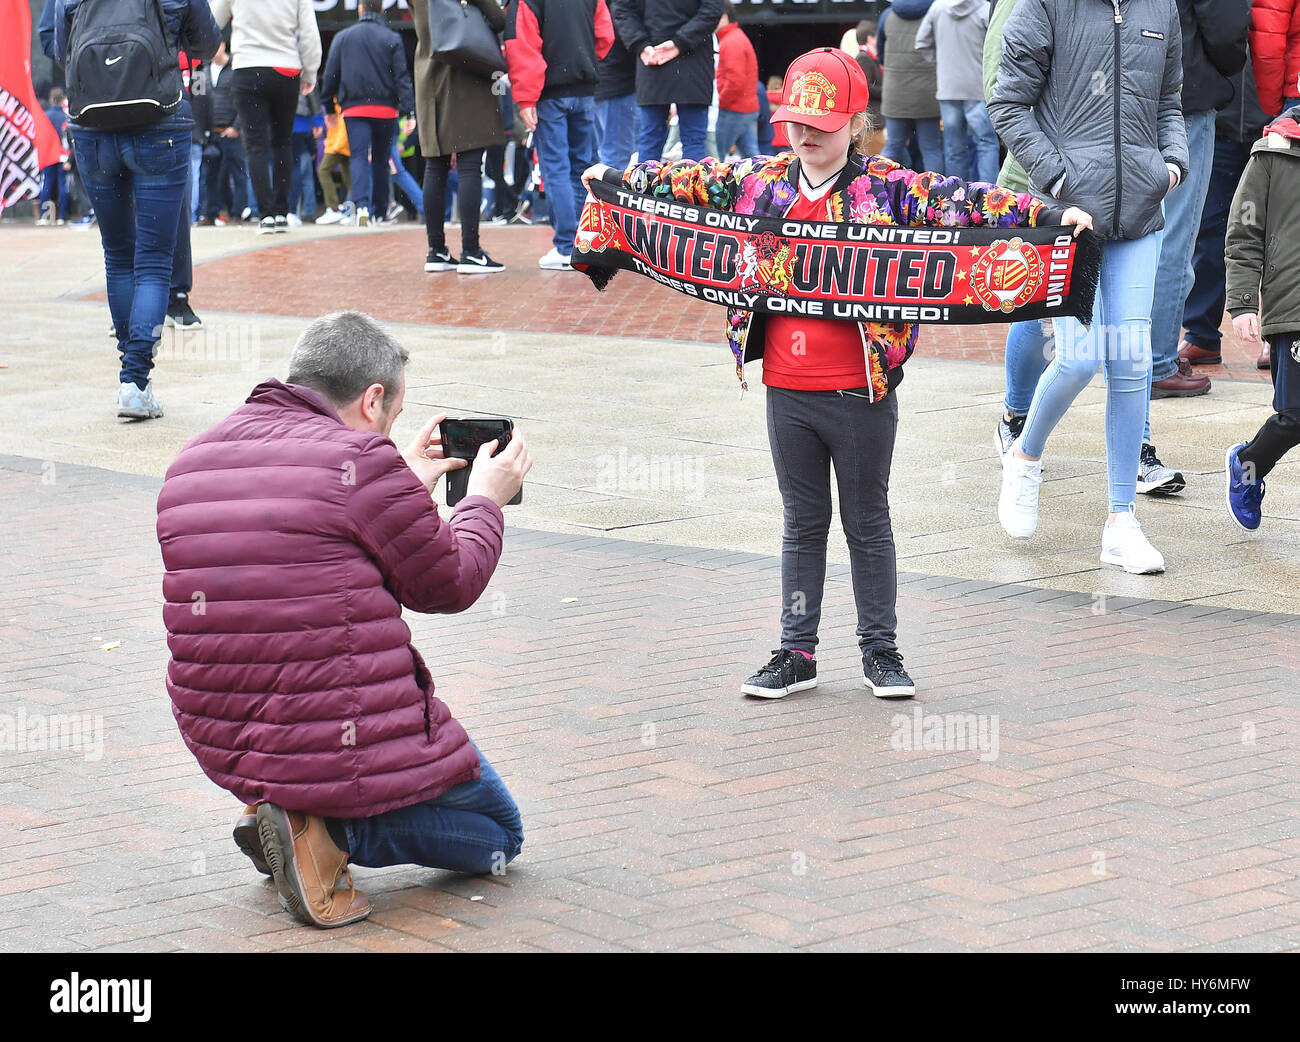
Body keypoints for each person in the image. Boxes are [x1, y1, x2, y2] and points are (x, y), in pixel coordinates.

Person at [582, 47, 1088, 699]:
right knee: (802, 519)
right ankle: (797, 652)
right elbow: (688, 179)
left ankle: (881, 650)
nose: (806, 136)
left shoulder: (889, 187)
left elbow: (966, 202)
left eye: (822, 124)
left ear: (857, 124)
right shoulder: (761, 181)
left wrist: (1048, 218)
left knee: (867, 520)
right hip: (785, 391)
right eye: (797, 122)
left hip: (861, 390)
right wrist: (617, 181)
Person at [157, 311, 533, 928]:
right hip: (334, 731)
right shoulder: (359, 461)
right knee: (499, 836)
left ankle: (282, 811)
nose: (389, 430)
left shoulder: (193, 459)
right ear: (372, 397)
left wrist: (397, 485)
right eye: (392, 413)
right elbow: (450, 583)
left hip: (222, 731)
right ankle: (324, 832)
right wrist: (483, 501)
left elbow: (307, 550)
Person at [990, 0, 1188, 574]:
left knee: (1130, 363)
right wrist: (1057, 177)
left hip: (1139, 217)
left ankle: (1121, 521)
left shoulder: (1161, 7)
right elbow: (1009, 103)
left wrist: (1170, 162)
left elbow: (1169, 101)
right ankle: (1025, 457)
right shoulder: (1046, 6)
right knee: (1077, 360)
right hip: (1067, 218)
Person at [41, 0, 221, 421]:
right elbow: (208, 43)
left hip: (91, 125)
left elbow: (55, 45)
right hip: (161, 122)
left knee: (118, 255)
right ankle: (135, 380)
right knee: (154, 262)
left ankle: (131, 376)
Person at [1147, 0, 1249, 401]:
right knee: (1176, 235)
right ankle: (1156, 363)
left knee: (1140, 232)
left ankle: (1134, 358)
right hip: (1183, 101)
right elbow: (1227, 31)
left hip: (1131, 100)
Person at [1224, 104, 1300, 531]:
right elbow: (1244, 232)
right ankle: (1247, 464)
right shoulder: (1272, 153)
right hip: (1294, 308)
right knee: (1296, 415)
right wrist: (1242, 304)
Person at [506, 0, 615, 270]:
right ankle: (585, 243)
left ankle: (567, 246)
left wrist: (526, 98)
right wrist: (584, 62)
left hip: (550, 93)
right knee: (583, 167)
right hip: (584, 87)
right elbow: (605, 36)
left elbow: (522, 48)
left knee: (556, 169)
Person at [1182, 62, 1274, 372]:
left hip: (1278, 120)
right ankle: (1201, 333)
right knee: (1209, 230)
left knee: (1281, 235)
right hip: (1220, 118)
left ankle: (1278, 334)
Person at [411, 0, 509, 273]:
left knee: (435, 164)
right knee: (470, 165)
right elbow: (498, 19)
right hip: (462, 74)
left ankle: (436, 250)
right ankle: (471, 251)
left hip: (428, 74)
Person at [210, 0, 322, 235]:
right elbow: (310, 32)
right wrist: (310, 70)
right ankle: (282, 212)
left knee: (255, 145)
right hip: (286, 68)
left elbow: (212, 21)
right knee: (283, 142)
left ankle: (266, 215)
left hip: (247, 67)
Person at [320, 0, 414, 230]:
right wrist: (409, 111)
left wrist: (329, 108)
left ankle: (361, 206)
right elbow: (402, 78)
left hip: (355, 109)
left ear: (360, 8)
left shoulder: (343, 37)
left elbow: (330, 74)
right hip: (386, 110)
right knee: (381, 160)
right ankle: (380, 212)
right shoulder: (392, 38)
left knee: (358, 157)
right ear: (381, 10)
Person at [612, 0, 722, 163]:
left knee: (650, 140)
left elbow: (622, 10)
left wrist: (641, 44)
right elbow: (712, 10)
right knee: (694, 142)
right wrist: (680, 42)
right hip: (693, 60)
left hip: (652, 58)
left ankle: (643, 187)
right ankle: (691, 188)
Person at [916, 0, 998, 183]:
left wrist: (942, 62)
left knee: (954, 148)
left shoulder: (937, 8)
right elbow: (997, 46)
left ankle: (957, 195)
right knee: (986, 144)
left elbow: (921, 43)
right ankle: (990, 197)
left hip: (948, 88)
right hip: (978, 88)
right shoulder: (985, 9)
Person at [877, 0, 943, 176]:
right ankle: (936, 195)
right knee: (931, 148)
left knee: (893, 145)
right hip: (927, 94)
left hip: (895, 93)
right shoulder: (934, 12)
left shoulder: (887, 15)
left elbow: (881, 55)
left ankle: (876, 186)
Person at [198, 43, 248, 226]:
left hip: (231, 131)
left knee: (238, 174)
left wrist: (236, 127)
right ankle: (210, 213)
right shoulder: (201, 71)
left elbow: (244, 101)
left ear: (223, 45)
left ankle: (237, 213)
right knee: (210, 175)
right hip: (210, 133)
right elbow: (197, 101)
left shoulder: (236, 69)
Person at [714, 2, 759, 160]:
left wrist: (722, 101)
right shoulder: (736, 37)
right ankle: (766, 183)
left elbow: (735, 80)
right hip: (745, 108)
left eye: (713, 15)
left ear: (724, 17)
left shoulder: (731, 41)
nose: (708, 20)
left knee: (715, 159)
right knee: (753, 159)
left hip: (734, 109)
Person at [594, 24, 640, 170]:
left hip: (604, 80)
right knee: (616, 158)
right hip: (617, 82)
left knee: (608, 154)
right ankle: (609, 192)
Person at [315, 102, 352, 225]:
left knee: (323, 171)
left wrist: (337, 144)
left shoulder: (337, 100)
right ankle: (357, 207)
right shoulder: (338, 99)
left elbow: (342, 124)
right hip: (338, 143)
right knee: (348, 177)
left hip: (337, 145)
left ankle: (333, 208)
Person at [37, 88, 69, 225]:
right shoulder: (65, 116)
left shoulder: (45, 116)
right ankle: (62, 216)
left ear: (51, 100)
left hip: (48, 154)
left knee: (47, 183)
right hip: (63, 154)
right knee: (63, 184)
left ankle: (44, 216)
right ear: (62, 100)